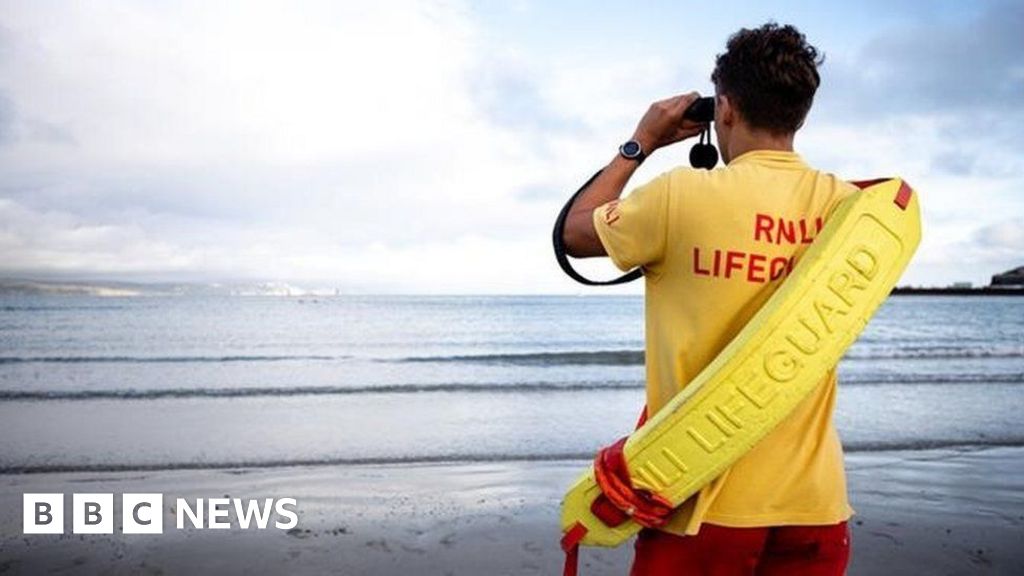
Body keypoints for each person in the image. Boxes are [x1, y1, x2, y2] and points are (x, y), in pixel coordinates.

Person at [561, 23, 854, 576]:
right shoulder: (846, 207)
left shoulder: (680, 196)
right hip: (816, 507)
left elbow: (574, 233)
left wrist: (640, 143)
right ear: (801, 112)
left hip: (696, 504)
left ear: (723, 108)